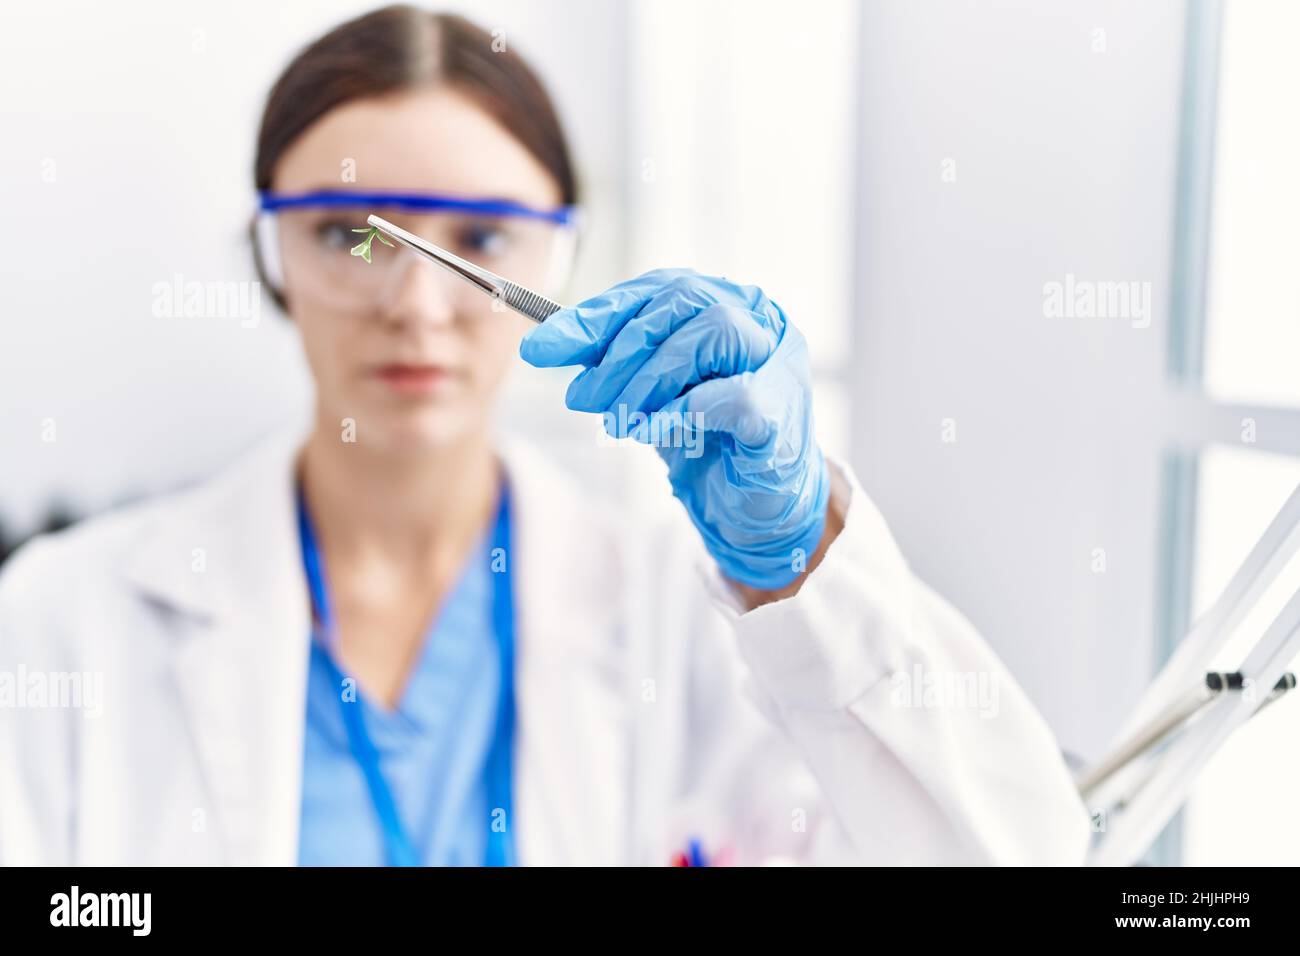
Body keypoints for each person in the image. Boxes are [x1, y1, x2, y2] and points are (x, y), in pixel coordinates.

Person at [0, 5, 1088, 865]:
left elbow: (1006, 851)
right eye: (351, 235)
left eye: (480, 237)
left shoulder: (684, 614)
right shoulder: (60, 620)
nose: (418, 307)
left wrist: (801, 559)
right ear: (267, 255)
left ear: (562, 258)